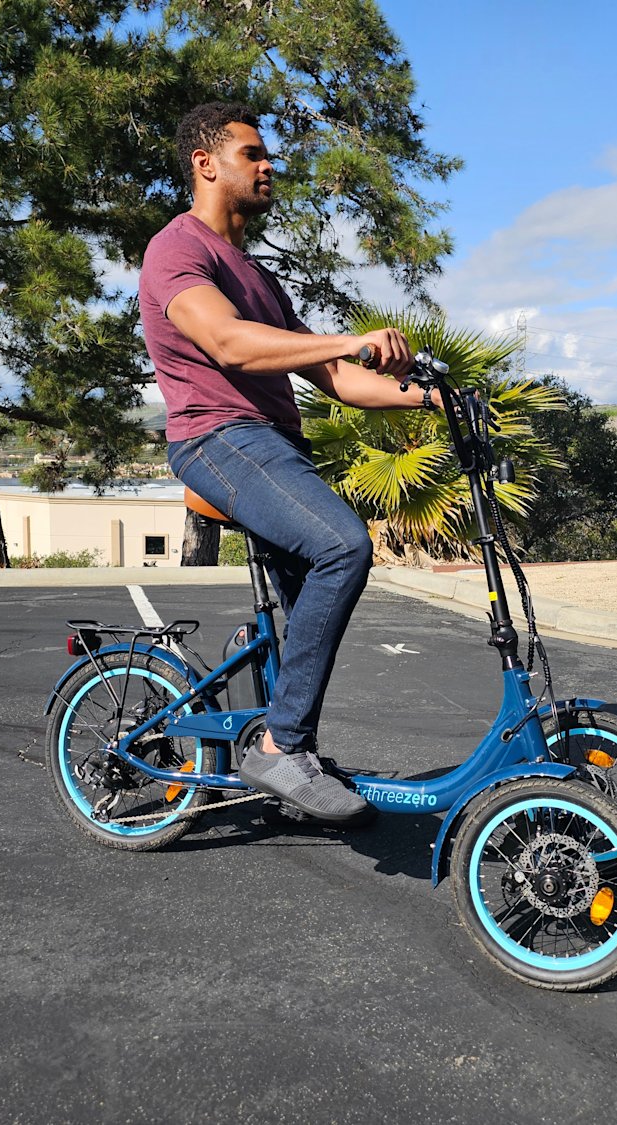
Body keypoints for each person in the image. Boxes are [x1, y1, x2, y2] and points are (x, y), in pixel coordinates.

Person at [139, 102, 434, 824]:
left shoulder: (260, 278)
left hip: (273, 446)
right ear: (206, 164)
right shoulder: (177, 250)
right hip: (218, 438)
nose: (269, 164)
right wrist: (350, 339)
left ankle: (278, 739)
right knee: (343, 546)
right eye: (252, 153)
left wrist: (433, 397)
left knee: (310, 614)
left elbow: (337, 380)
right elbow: (229, 343)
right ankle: (282, 746)